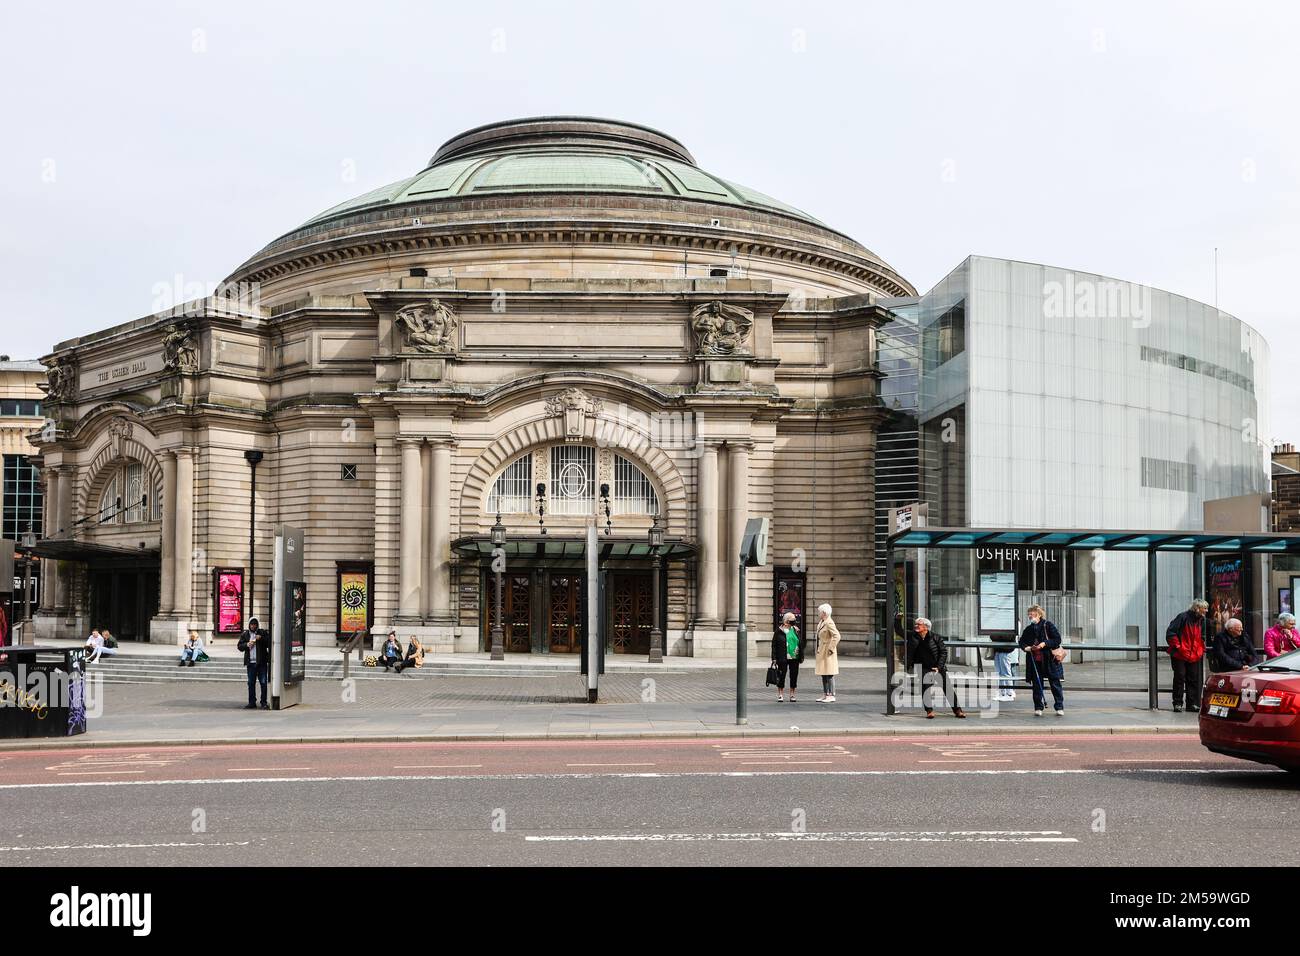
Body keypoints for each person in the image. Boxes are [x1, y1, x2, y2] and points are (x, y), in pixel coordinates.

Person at [907, 617, 967, 719]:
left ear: (926, 627)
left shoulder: (936, 637)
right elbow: (899, 631)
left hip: (937, 667)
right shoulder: (913, 636)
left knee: (947, 689)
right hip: (922, 667)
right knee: (925, 689)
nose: (916, 626)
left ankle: (958, 710)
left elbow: (943, 652)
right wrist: (897, 620)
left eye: (919, 624)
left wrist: (939, 667)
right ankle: (929, 711)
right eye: (916, 624)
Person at [1019, 604, 1064, 716]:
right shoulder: (1029, 629)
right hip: (1035, 660)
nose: (1029, 616)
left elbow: (1057, 639)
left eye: (1031, 614)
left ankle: (1059, 706)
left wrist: (1045, 643)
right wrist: (1026, 648)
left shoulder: (1048, 625)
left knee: (1055, 683)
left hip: (1049, 660)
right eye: (1029, 614)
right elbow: (1022, 641)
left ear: (1038, 614)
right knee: (1037, 685)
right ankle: (1038, 707)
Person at [1165, 598, 1209, 712]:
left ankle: (1191, 704)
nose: (1206, 610)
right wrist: (1178, 647)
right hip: (1180, 654)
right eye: (1204, 608)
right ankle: (1177, 703)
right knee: (1180, 677)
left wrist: (1200, 648)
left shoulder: (1202, 620)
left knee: (1192, 679)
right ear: (1197, 608)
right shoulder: (1183, 617)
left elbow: (1202, 637)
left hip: (1193, 654)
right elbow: (1171, 633)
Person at [238, 618, 272, 710]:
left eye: (255, 624)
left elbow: (269, 643)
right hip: (251, 663)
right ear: (249, 625)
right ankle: (252, 702)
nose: (253, 626)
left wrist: (261, 638)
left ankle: (263, 702)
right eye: (252, 624)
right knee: (251, 683)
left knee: (263, 683)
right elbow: (239, 646)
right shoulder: (245, 634)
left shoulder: (262, 632)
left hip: (261, 663)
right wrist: (247, 645)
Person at [771, 611, 805, 702]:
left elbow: (800, 642)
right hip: (782, 657)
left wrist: (801, 654)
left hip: (795, 657)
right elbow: (774, 645)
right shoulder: (779, 631)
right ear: (786, 621)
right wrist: (774, 658)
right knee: (781, 675)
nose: (794, 621)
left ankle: (792, 694)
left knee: (794, 676)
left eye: (794, 619)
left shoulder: (795, 630)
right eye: (792, 620)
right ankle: (780, 694)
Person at [814, 603, 840, 702]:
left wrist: (831, 648)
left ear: (824, 613)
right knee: (823, 673)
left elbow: (837, 636)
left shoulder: (829, 622)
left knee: (829, 673)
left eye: (819, 612)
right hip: (822, 650)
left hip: (827, 652)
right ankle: (825, 694)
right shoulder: (822, 622)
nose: (818, 613)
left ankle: (831, 695)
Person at [993, 632, 1019, 702]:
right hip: (998, 650)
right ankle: (1003, 693)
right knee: (999, 672)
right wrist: (999, 637)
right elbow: (992, 636)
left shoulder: (1010, 625)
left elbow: (1008, 637)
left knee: (1006, 672)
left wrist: (998, 636)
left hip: (1005, 650)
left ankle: (1009, 693)